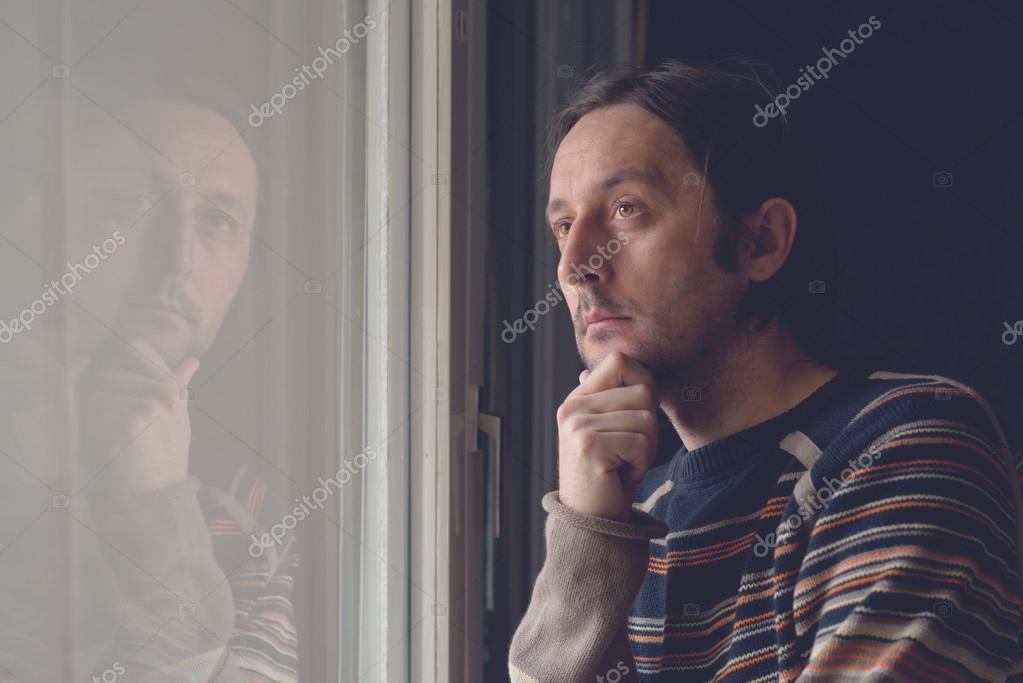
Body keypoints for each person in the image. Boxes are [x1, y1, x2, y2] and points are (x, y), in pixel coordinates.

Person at [509, 59, 1023, 682]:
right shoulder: (642, 514)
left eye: (625, 209)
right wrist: (587, 540)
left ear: (761, 243)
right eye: (563, 226)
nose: (575, 264)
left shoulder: (906, 444)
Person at [0, 98, 298, 682]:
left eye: (217, 221)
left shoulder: (246, 510)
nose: (177, 258)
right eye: (131, 206)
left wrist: (157, 509)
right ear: (44, 229)